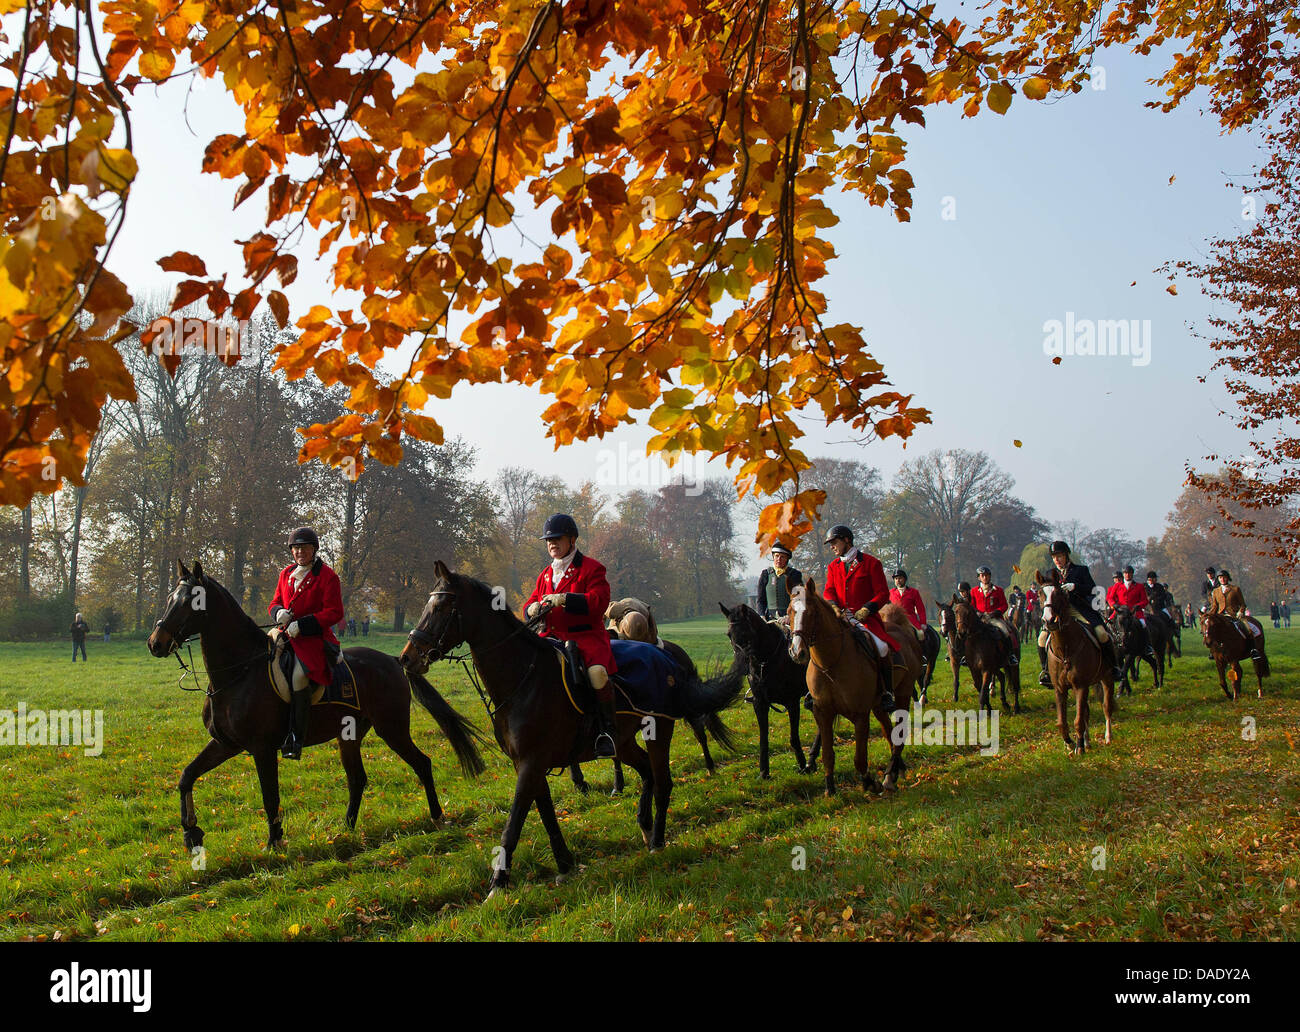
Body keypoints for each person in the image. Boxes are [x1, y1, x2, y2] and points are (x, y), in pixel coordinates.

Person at [524, 514, 619, 758]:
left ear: (572, 539)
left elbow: (599, 603)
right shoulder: (545, 574)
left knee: (597, 674)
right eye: (548, 540)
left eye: (557, 539)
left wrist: (566, 599)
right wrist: (531, 609)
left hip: (585, 638)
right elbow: (532, 600)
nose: (552, 544)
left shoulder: (592, 568)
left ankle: (606, 731)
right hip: (551, 638)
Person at [267, 527, 345, 760]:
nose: (300, 551)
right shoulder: (285, 574)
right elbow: (274, 602)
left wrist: (304, 625)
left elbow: (334, 612)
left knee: (299, 676)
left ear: (314, 549)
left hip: (314, 639)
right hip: (284, 634)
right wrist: (277, 612)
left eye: (304, 547)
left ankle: (295, 737)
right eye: (296, 548)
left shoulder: (327, 576)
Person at [821, 524, 899, 711]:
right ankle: (815, 691)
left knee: (881, 648)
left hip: (866, 618)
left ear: (847, 540)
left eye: (834, 542)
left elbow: (882, 594)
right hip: (840, 617)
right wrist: (833, 607)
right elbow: (828, 590)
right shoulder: (833, 566)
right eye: (830, 543)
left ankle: (887, 692)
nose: (832, 546)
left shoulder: (871, 563)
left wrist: (866, 609)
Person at [1037, 540, 1122, 686]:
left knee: (1101, 633)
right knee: (1041, 638)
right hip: (1058, 611)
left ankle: (1113, 667)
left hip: (1079, 609)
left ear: (1066, 556)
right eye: (1054, 557)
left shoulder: (1081, 570)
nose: (1057, 560)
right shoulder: (1050, 574)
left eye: (1060, 556)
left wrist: (1075, 586)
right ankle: (1046, 671)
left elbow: (1092, 589)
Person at [1207, 570, 1265, 660]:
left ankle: (1253, 649)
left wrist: (1241, 611)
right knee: (1211, 630)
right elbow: (1214, 606)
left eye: (1224, 577)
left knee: (1248, 628)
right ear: (1218, 579)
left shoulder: (1235, 589)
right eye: (1220, 577)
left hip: (1235, 615)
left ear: (1228, 578)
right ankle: (1213, 651)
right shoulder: (1215, 591)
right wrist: (1208, 615)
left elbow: (1243, 604)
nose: (1222, 579)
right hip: (1221, 616)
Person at [971, 566, 1017, 664]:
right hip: (980, 619)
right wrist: (978, 613)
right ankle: (966, 656)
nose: (985, 578)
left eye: (987, 575)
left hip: (995, 619)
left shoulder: (998, 590)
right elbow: (972, 606)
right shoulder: (974, 591)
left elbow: (1004, 605)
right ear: (978, 577)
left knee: (1006, 631)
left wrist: (996, 612)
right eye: (982, 576)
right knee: (968, 633)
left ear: (990, 577)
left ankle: (1010, 655)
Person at [757, 545, 803, 620]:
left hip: (789, 620)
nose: (779, 559)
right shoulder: (765, 574)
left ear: (787, 559)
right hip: (770, 619)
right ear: (773, 557)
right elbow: (761, 600)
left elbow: (799, 600)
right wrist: (761, 615)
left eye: (782, 557)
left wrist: (790, 616)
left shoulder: (794, 575)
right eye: (777, 556)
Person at [889, 569, 928, 639]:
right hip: (895, 620)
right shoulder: (890, 593)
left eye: (900, 578)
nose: (898, 580)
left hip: (911, 620)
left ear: (905, 579)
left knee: (920, 634)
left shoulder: (914, 592)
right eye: (896, 579)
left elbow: (921, 609)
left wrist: (923, 623)